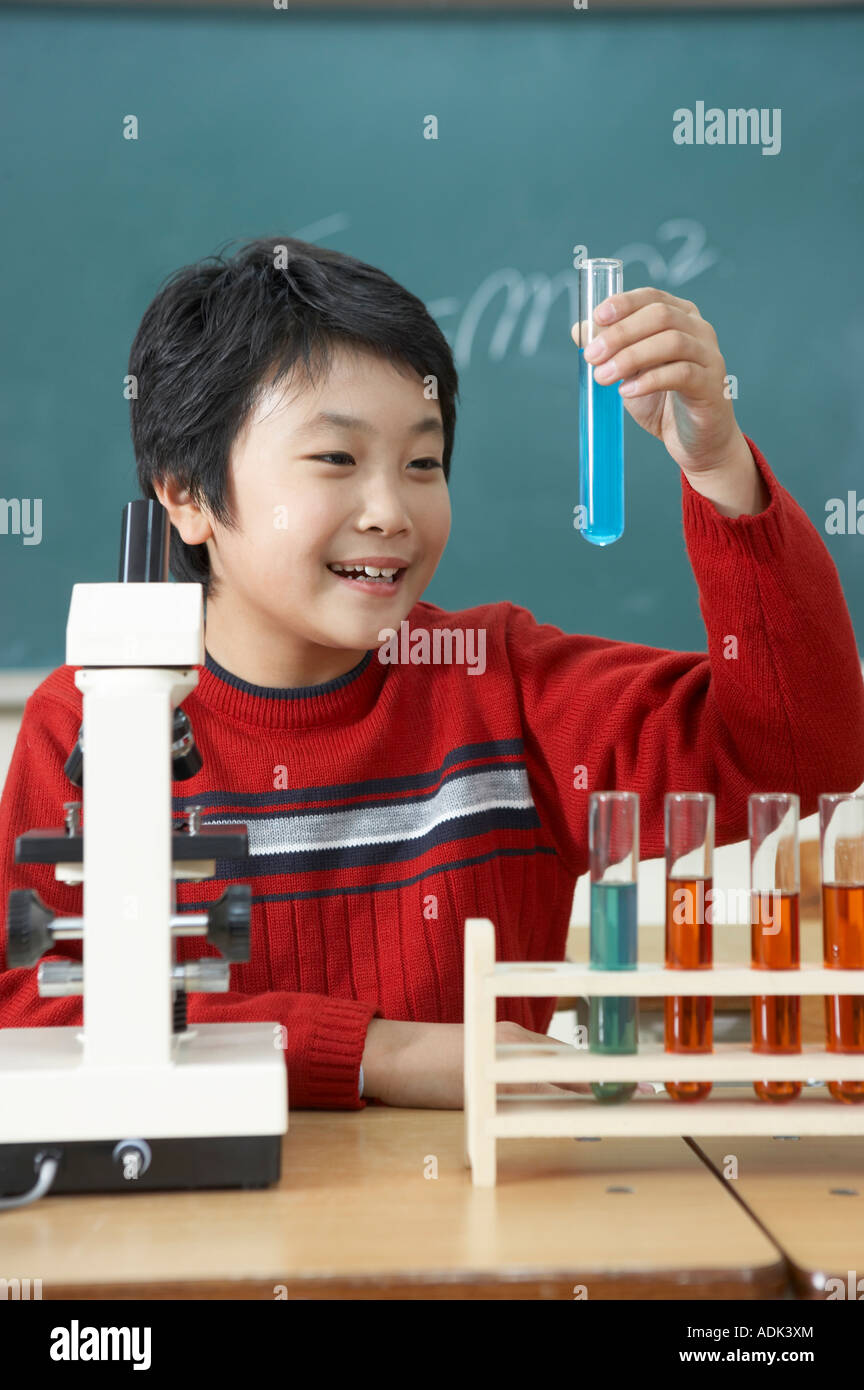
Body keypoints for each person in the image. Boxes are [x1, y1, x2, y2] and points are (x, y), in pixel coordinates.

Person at [1, 237, 862, 1111]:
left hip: (481, 1223)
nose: (391, 511)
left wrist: (720, 470)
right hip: (198, 1232)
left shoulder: (499, 685)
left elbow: (799, 761)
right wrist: (385, 1053)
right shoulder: (95, 717)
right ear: (185, 493)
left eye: (423, 464)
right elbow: (37, 1009)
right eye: (336, 460)